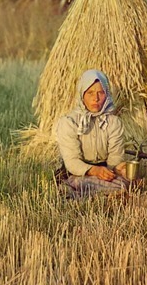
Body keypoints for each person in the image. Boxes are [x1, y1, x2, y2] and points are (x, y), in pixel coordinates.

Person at [55, 69, 129, 200]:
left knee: (124, 183)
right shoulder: (69, 122)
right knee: (79, 181)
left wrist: (114, 171)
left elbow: (115, 158)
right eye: (90, 93)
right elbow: (72, 162)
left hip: (105, 172)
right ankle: (88, 192)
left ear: (107, 95)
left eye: (101, 93)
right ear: (82, 95)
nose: (96, 98)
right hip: (78, 173)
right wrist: (94, 171)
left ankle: (84, 194)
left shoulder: (113, 123)